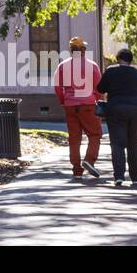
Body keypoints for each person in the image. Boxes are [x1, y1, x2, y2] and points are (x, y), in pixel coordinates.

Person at [96, 48, 137, 186]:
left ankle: (119, 176)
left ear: (118, 58)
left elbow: (100, 88)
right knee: (135, 144)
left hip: (116, 108)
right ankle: (135, 176)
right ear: (131, 60)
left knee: (117, 144)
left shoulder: (111, 71)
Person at [53, 36, 102, 180]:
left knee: (74, 138)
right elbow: (99, 87)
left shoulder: (62, 66)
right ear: (82, 50)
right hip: (87, 104)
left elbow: (57, 87)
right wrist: (97, 98)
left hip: (70, 105)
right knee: (94, 134)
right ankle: (89, 160)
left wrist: (64, 101)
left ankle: (76, 169)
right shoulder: (92, 65)